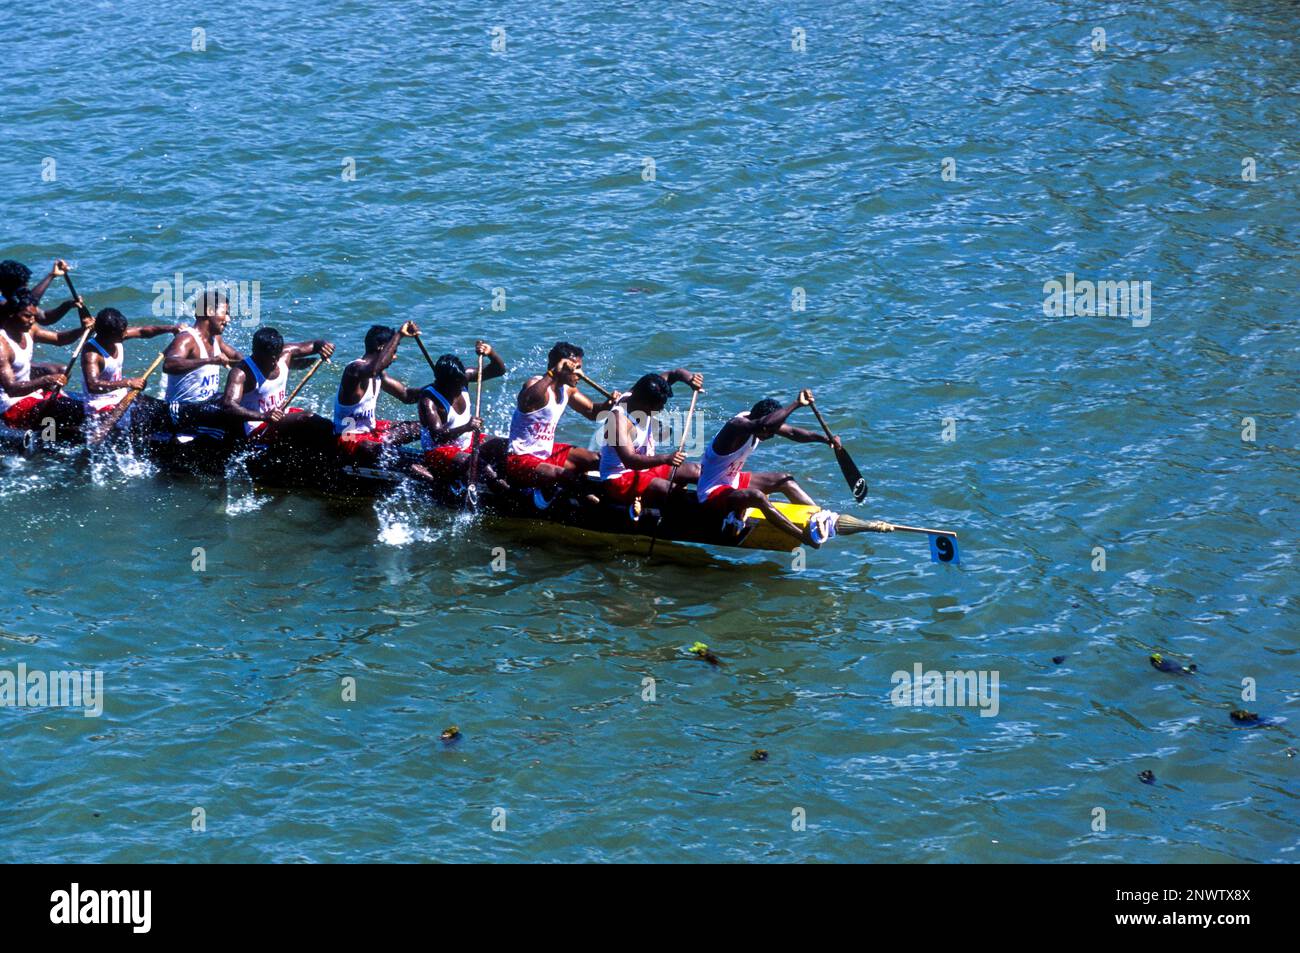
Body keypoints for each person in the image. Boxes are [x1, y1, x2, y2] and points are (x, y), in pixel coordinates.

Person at [696, 390, 842, 547]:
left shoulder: (759, 422)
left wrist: (826, 440)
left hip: (733, 480)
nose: (772, 435)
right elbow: (765, 425)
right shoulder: (736, 426)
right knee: (757, 497)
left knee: (785, 480)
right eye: (771, 431)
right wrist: (796, 404)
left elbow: (792, 432)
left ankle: (818, 517)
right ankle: (804, 537)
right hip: (711, 492)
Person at [505, 341, 618, 490]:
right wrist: (552, 372)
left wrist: (608, 405)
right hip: (520, 458)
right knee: (565, 477)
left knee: (600, 460)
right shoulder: (536, 384)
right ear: (562, 368)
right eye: (576, 369)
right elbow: (526, 401)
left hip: (547, 453)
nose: (581, 375)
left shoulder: (567, 390)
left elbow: (591, 412)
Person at [597, 369, 703, 513]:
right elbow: (630, 461)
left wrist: (690, 378)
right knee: (671, 491)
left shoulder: (642, 393)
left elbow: (673, 374)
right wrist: (666, 458)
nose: (661, 408)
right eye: (659, 405)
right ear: (645, 403)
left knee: (698, 471)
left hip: (645, 468)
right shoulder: (617, 421)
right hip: (619, 479)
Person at [0, 289, 93, 434]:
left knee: (84, 410)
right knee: (82, 411)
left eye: (34, 316)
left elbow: (59, 339)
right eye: (27, 316)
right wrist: (47, 379)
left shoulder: (29, 330)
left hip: (32, 395)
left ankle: (56, 429)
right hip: (13, 407)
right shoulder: (2, 345)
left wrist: (82, 330)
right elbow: (12, 389)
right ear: (11, 315)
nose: (32, 320)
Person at [221, 326, 335, 441]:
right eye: (267, 358)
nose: (274, 362)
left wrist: (325, 346)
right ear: (254, 351)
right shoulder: (241, 373)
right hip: (258, 426)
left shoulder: (285, 354)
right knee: (308, 418)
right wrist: (264, 416)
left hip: (282, 415)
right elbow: (228, 406)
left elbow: (316, 345)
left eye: (275, 357)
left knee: (326, 425)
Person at [80, 308, 180, 436]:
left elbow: (143, 331)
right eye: (122, 333)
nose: (126, 334)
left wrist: (171, 328)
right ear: (109, 334)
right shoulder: (92, 354)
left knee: (163, 409)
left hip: (122, 397)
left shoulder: (114, 336)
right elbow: (93, 385)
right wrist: (128, 382)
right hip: (101, 407)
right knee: (153, 420)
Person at [332, 322, 423, 460]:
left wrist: (437, 389)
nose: (394, 356)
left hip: (369, 433)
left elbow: (406, 395)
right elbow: (374, 369)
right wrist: (399, 334)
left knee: (421, 427)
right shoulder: (354, 369)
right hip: (347, 439)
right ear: (381, 348)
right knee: (380, 449)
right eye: (393, 351)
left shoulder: (379, 375)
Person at [417, 341, 506, 482]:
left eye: (462, 382)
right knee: (484, 469)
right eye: (456, 385)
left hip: (466, 442)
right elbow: (437, 437)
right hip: (438, 451)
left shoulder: (463, 378)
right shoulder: (428, 400)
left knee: (507, 446)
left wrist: (491, 353)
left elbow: (499, 370)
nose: (461, 387)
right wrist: (466, 427)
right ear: (443, 383)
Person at [162, 290, 241, 436]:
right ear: (209, 311)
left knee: (239, 403)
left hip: (206, 404)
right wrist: (211, 360)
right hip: (180, 409)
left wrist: (259, 363)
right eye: (225, 313)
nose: (228, 319)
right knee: (227, 418)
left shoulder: (215, 339)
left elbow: (236, 356)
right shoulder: (186, 339)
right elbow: (169, 365)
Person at [0, 258, 80, 325]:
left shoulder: (14, 301)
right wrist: (51, 275)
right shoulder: (5, 305)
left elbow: (44, 317)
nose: (27, 287)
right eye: (23, 285)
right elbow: (27, 304)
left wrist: (67, 305)